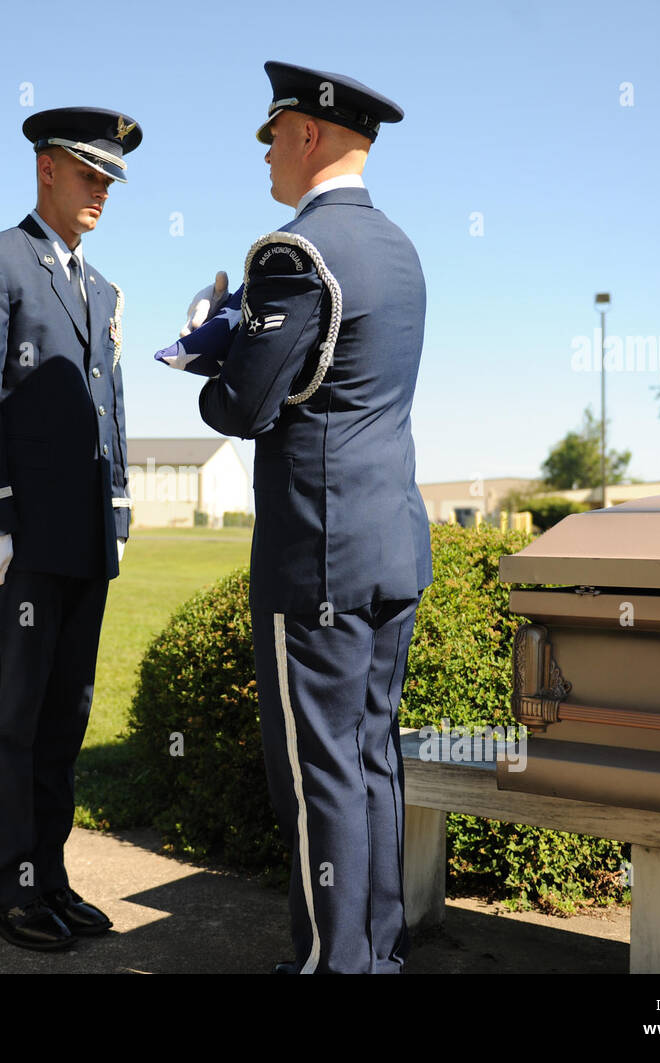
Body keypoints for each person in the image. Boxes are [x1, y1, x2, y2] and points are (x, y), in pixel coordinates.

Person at [189, 61, 432, 973]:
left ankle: (333, 964)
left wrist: (208, 339)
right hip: (393, 545)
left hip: (319, 554)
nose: (266, 159)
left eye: (272, 138)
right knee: (373, 758)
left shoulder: (293, 254)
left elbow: (243, 409)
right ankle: (376, 954)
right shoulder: (402, 248)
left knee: (319, 773)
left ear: (307, 135)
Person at [0, 106, 141, 951]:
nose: (101, 191)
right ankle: (5, 887)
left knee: (66, 714)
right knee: (13, 715)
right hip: (17, 538)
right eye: (88, 172)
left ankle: (49, 875)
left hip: (85, 534)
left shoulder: (102, 287)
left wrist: (117, 507)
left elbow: (110, 409)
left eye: (111, 180)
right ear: (46, 166)